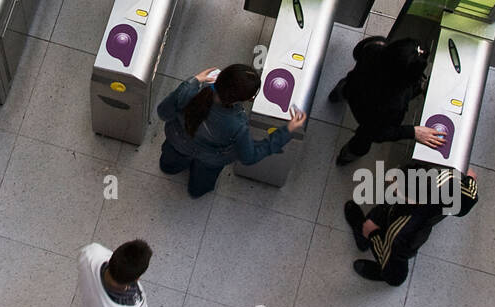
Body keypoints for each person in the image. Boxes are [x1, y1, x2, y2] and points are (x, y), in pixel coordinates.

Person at [156, 64, 307, 199]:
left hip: (177, 142)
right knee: (199, 186)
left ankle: (169, 168)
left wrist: (194, 80)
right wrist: (287, 131)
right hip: (211, 159)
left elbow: (163, 113)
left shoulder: (189, 92)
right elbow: (249, 157)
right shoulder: (237, 125)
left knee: (169, 164)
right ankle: (196, 191)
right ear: (245, 99)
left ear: (219, 77)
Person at [343, 164, 478, 286]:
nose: (391, 185)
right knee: (384, 208)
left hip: (401, 233)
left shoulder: (402, 233)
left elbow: (394, 245)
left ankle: (381, 265)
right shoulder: (445, 186)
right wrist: (469, 179)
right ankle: (366, 232)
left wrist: (372, 234)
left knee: (394, 268)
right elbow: (470, 197)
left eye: (396, 189)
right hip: (415, 212)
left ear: (412, 200)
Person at [329, 35, 446, 166]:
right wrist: (413, 132)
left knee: (345, 88)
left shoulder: (374, 49)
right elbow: (381, 133)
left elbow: (358, 52)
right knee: (363, 139)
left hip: (353, 89)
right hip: (368, 122)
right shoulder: (396, 104)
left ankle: (336, 96)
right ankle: (347, 156)